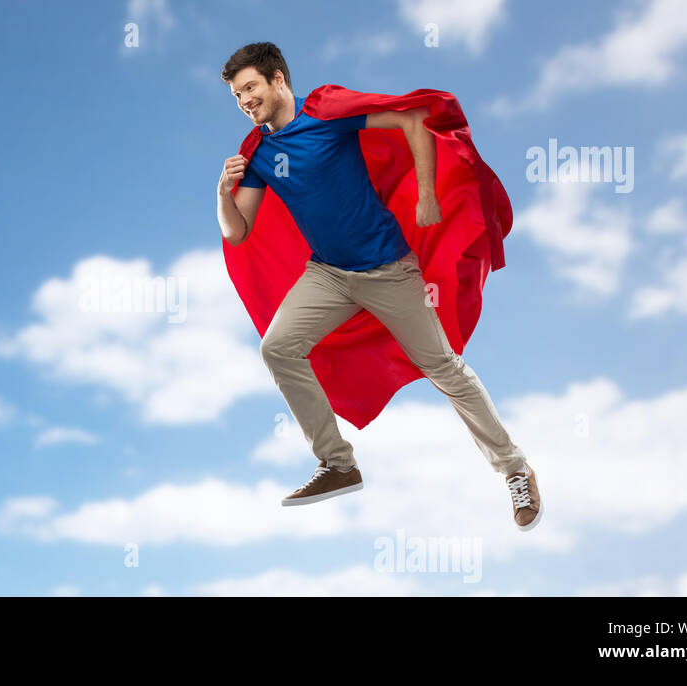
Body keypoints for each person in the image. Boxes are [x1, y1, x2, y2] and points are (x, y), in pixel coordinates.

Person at [215, 42, 541, 531]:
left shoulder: (326, 112)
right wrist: (223, 194)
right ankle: (338, 464)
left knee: (444, 368)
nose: (244, 100)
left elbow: (411, 121)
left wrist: (427, 194)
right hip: (327, 274)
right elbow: (237, 231)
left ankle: (515, 468)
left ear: (278, 79)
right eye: (237, 95)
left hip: (387, 269)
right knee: (278, 348)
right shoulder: (260, 155)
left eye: (250, 88)